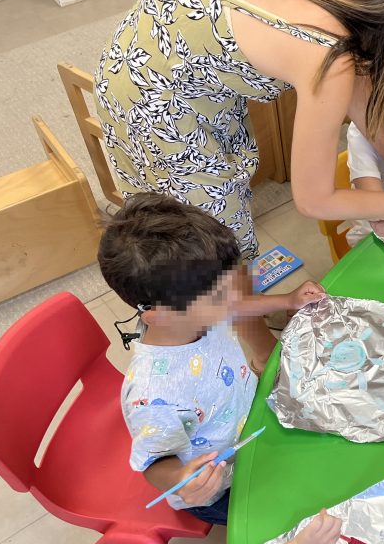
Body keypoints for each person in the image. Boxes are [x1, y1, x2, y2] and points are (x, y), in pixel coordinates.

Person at [94, 0, 384, 369]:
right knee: (216, 241)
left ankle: (259, 308)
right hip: (150, 95)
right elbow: (314, 199)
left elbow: (366, 108)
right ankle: (262, 356)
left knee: (230, 210)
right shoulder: (330, 57)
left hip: (168, 36)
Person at [99, 193, 327, 526]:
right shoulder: (153, 395)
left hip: (250, 428)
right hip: (219, 488)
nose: (230, 298)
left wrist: (287, 299)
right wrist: (184, 477)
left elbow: (232, 307)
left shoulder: (198, 310)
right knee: (289, 521)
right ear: (158, 314)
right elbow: (153, 463)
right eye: (219, 295)